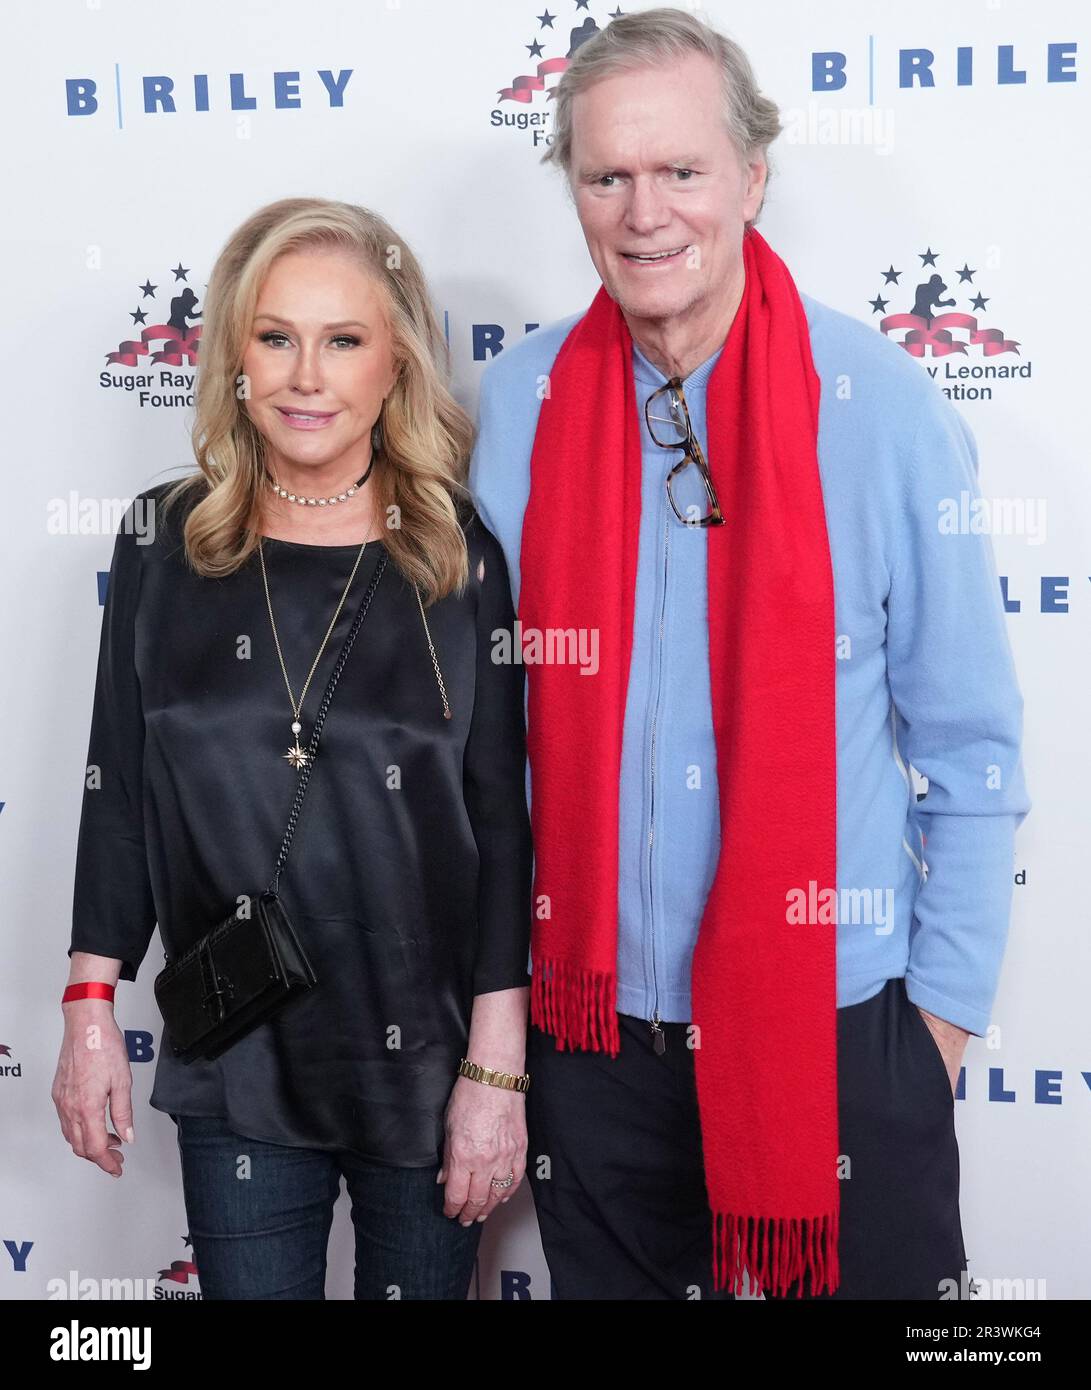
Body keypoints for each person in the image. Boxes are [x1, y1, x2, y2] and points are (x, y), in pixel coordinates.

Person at [469, 9, 1030, 1300]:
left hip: (828, 1026)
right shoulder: (521, 406)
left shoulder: (879, 405)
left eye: (679, 171)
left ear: (751, 178)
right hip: (594, 1031)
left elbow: (968, 744)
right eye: (606, 175)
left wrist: (928, 1030)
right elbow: (479, 740)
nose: (642, 211)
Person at [55, 197, 533, 1301]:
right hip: (242, 1050)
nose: (305, 376)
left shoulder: (458, 563)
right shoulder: (163, 543)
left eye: (343, 340)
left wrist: (494, 1071)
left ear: (395, 366)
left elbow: (502, 828)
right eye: (275, 337)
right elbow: (118, 788)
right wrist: (87, 1012)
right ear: (233, 357)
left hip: (424, 1062)